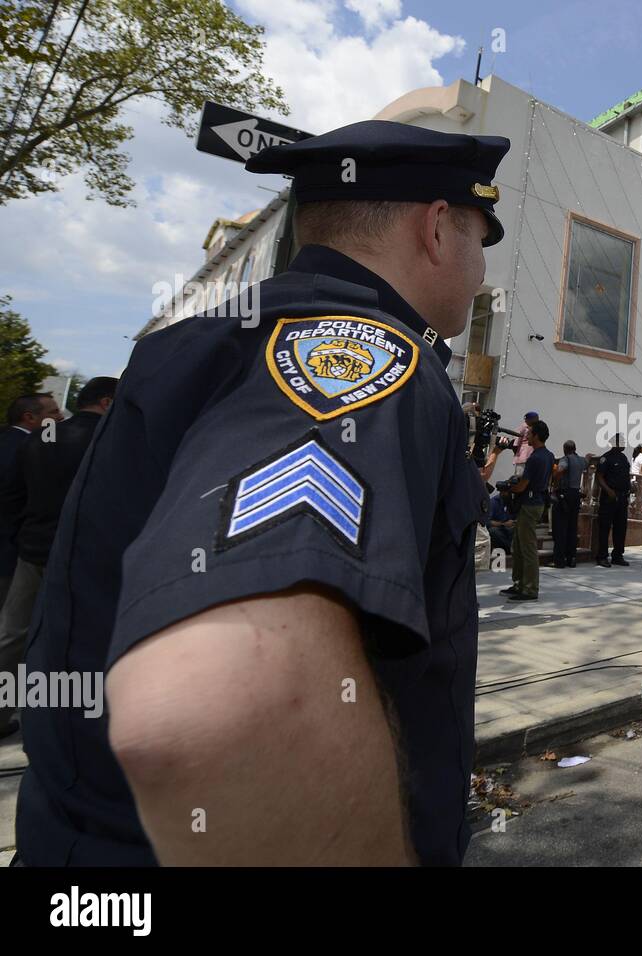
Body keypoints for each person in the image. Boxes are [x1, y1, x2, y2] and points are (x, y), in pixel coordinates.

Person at [14, 119, 511, 866]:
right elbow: (227, 700)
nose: (478, 273)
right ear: (437, 228)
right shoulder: (359, 355)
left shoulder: (197, 342)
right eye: (480, 240)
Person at [0, 378, 115, 734]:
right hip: (85, 552)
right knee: (81, 635)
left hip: (31, 550)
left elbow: (15, 496)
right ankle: (70, 723)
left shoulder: (36, 440)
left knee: (13, 634)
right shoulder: (112, 439)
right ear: (108, 402)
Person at [0, 394, 61, 610]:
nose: (60, 417)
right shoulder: (31, 448)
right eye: (53, 412)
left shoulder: (8, 440)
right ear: (30, 418)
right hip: (10, 549)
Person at [501, 419, 553, 601]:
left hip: (530, 504)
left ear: (536, 435)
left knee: (527, 547)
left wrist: (508, 488)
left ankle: (529, 589)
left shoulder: (535, 457)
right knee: (518, 545)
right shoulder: (548, 455)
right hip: (536, 503)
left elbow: (523, 486)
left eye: (529, 433)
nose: (526, 436)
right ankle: (519, 584)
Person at [594, 433, 630, 568]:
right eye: (621, 441)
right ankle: (602, 556)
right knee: (604, 527)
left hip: (622, 497)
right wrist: (609, 491)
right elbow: (599, 477)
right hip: (609, 498)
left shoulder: (623, 458)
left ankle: (618, 555)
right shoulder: (606, 458)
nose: (624, 444)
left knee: (621, 528)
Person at [551, 439, 586, 568]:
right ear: (575, 448)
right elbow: (587, 462)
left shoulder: (565, 459)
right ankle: (572, 558)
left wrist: (555, 482)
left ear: (565, 449)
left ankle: (559, 560)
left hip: (564, 495)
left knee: (560, 528)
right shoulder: (581, 460)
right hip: (576, 495)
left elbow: (560, 470)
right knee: (572, 528)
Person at [486, 490, 514, 555]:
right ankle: (509, 549)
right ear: (502, 492)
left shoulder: (511, 501)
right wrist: (503, 524)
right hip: (498, 528)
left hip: (509, 528)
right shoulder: (493, 502)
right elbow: (488, 521)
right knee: (493, 531)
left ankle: (510, 548)